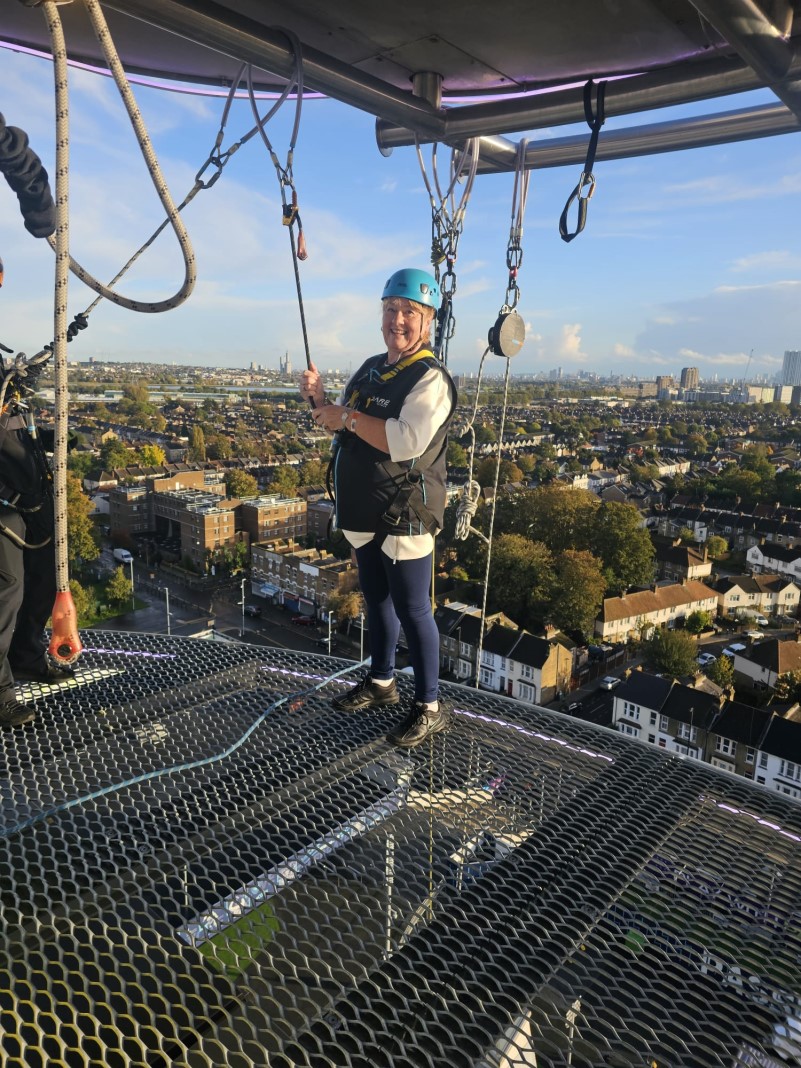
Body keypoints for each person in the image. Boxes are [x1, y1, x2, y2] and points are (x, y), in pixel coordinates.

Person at [300, 268, 457, 748]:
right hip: (364, 509)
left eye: (410, 311)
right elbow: (344, 426)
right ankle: (382, 681)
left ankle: (430, 706)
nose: (398, 320)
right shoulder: (370, 368)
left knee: (413, 609)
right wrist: (323, 402)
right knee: (376, 600)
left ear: (428, 321)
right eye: (391, 310)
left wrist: (344, 414)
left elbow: (404, 440)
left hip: (405, 511)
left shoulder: (430, 379)